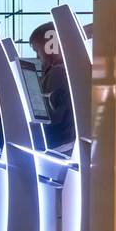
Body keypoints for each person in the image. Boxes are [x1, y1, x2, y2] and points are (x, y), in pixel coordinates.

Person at [30, 21, 73, 150]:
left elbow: (52, 117)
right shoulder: (68, 69)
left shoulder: (57, 72)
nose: (37, 56)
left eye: (37, 50)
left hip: (59, 145)